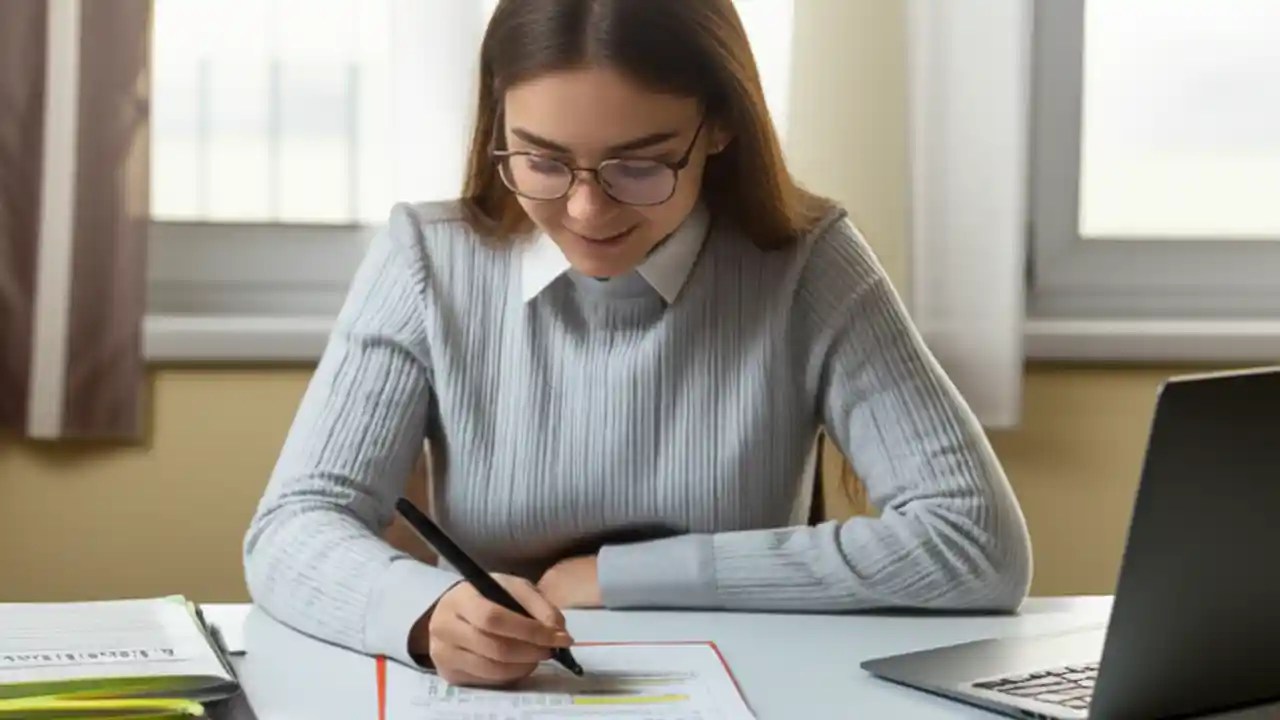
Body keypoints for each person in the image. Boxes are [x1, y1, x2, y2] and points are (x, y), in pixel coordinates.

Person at [243, 0, 1032, 688]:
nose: (587, 210)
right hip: (500, 695)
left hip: (765, 684)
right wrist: (424, 614)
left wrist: (615, 578)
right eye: (542, 160)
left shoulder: (807, 261)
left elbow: (974, 542)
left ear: (720, 124)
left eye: (641, 165)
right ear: (498, 121)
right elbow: (293, 527)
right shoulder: (426, 258)